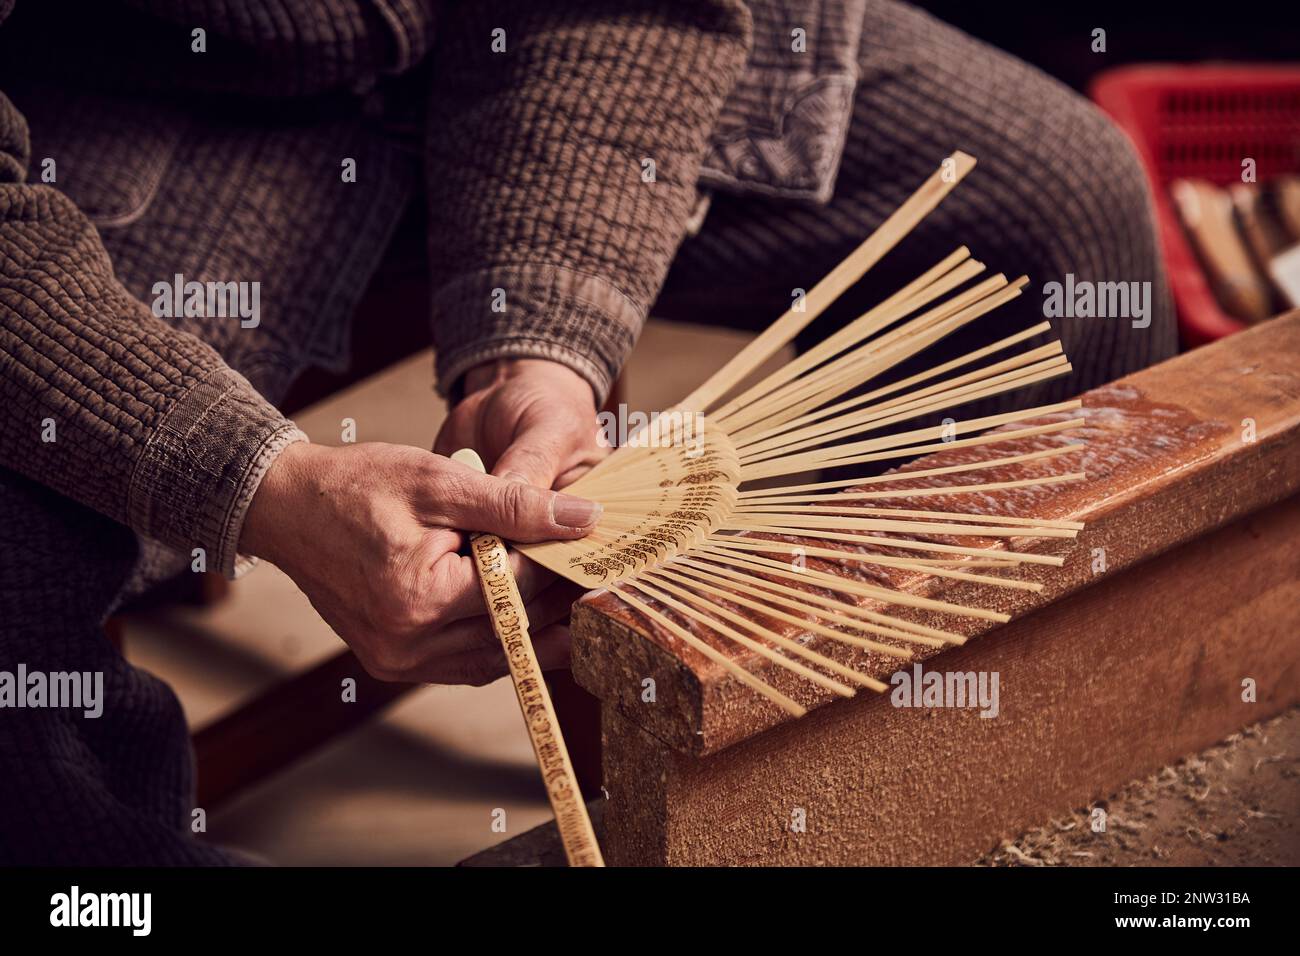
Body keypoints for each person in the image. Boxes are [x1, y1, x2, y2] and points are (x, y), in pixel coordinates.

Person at [0, 0, 1172, 863]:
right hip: (120, 91)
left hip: (532, 35)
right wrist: (250, 475)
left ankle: (900, 803)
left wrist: (544, 341)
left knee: (1056, 216)